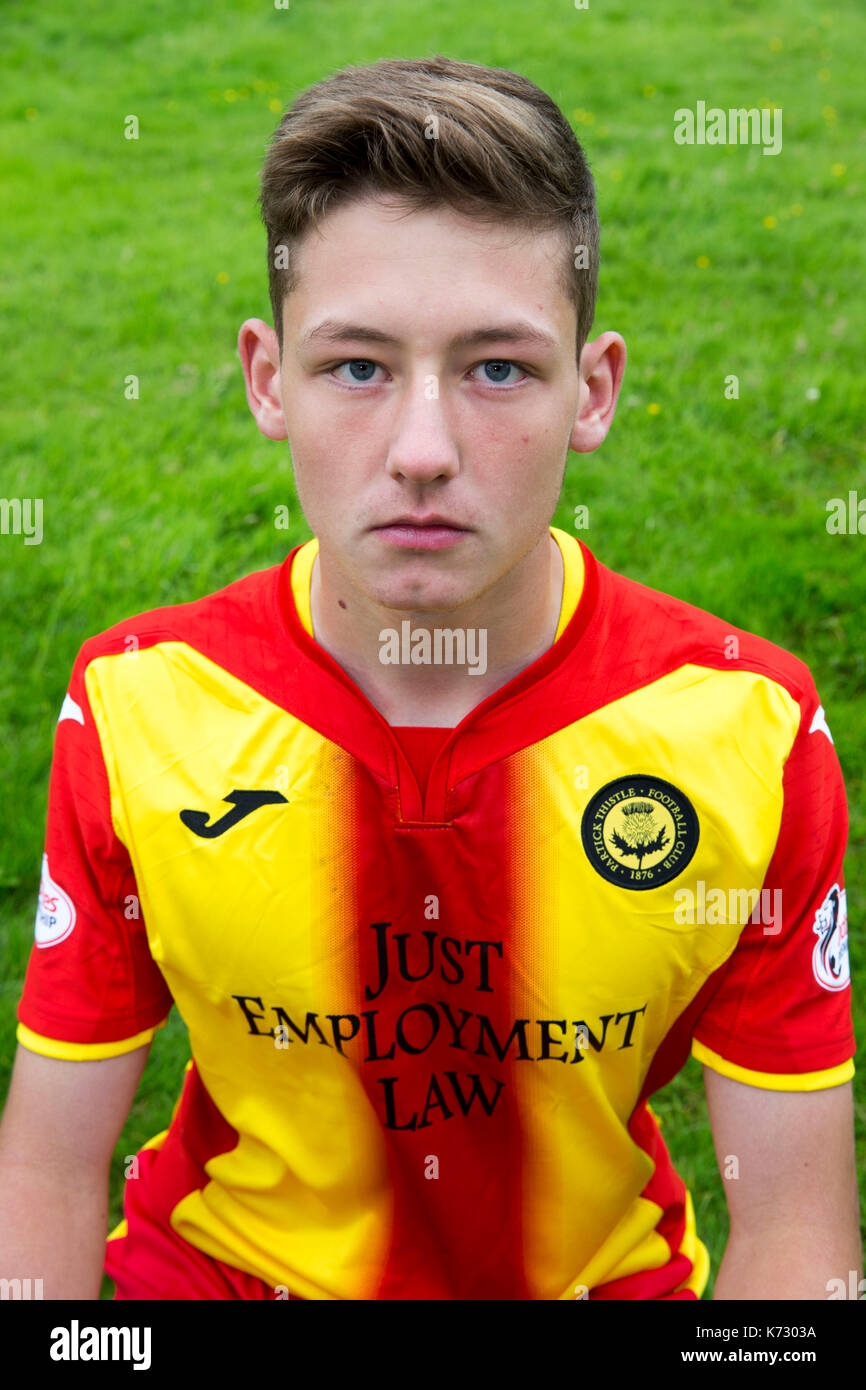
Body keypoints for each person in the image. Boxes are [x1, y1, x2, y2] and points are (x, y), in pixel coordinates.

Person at [1, 54, 859, 1301]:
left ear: (594, 390)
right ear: (265, 380)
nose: (419, 452)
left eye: (495, 368)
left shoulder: (746, 728)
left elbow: (792, 1227)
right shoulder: (140, 705)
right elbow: (49, 1165)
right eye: (355, 366)